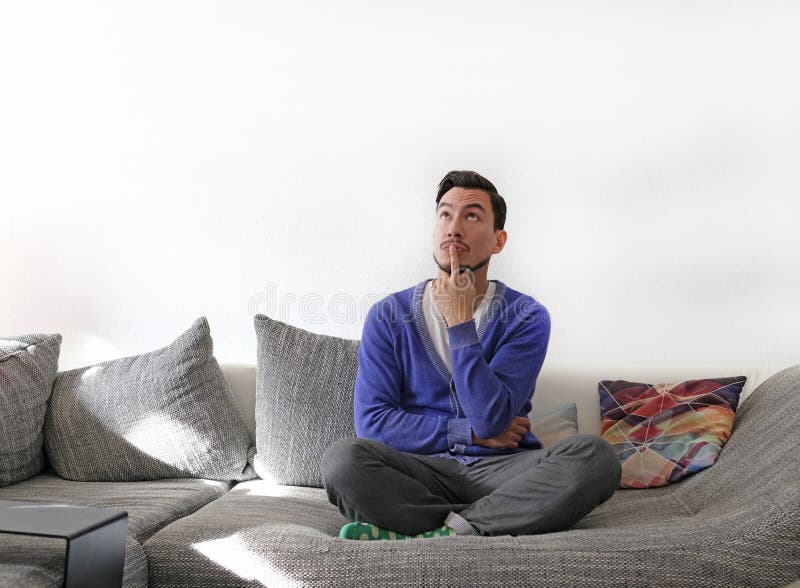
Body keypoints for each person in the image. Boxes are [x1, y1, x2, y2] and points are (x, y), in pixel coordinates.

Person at [321, 170, 620, 540]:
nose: (454, 227)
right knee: (343, 460)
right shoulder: (388, 316)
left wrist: (460, 323)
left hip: (503, 472)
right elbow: (373, 424)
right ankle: (484, 523)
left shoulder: (526, 317)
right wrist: (469, 435)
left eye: (472, 215)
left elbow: (492, 419)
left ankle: (435, 530)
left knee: (595, 458)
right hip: (419, 473)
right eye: (445, 215)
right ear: (434, 230)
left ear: (499, 240)